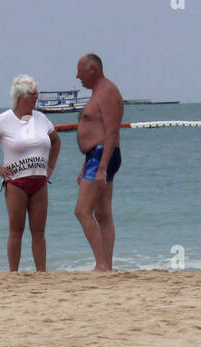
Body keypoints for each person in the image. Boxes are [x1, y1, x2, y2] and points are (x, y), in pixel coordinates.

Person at [0, 76, 60, 271]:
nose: (37, 97)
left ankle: (42, 273)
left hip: (40, 182)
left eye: (37, 93)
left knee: (39, 232)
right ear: (22, 96)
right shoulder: (4, 120)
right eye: (33, 94)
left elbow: (56, 141)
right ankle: (14, 273)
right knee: (16, 231)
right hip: (16, 183)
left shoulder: (41, 118)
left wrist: (51, 167)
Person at [74, 53, 124, 271]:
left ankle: (101, 264)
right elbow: (97, 130)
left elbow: (112, 132)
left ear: (92, 69)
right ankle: (107, 266)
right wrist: (86, 164)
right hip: (96, 156)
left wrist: (101, 167)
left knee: (82, 211)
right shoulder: (98, 92)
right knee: (102, 213)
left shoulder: (107, 92)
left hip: (103, 155)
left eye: (80, 71)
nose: (78, 76)